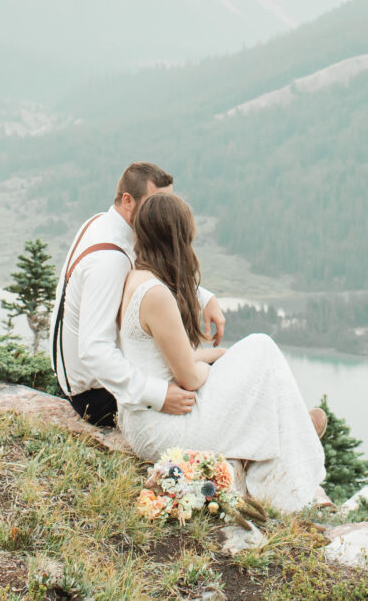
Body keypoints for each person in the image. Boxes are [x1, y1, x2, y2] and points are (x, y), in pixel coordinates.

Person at [116, 191, 327, 513]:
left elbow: (157, 361)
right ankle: (297, 446)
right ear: (177, 238)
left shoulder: (135, 278)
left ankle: (293, 432)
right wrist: (207, 365)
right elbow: (189, 379)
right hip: (164, 426)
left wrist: (206, 357)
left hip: (144, 416)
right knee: (261, 347)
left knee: (244, 357)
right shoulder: (156, 294)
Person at [50, 162, 226, 427]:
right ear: (128, 201)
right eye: (156, 202)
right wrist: (158, 395)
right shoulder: (109, 260)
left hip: (95, 383)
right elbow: (94, 349)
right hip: (96, 397)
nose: (165, 212)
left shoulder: (102, 223)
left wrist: (204, 298)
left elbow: (148, 277)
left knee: (221, 359)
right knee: (220, 377)